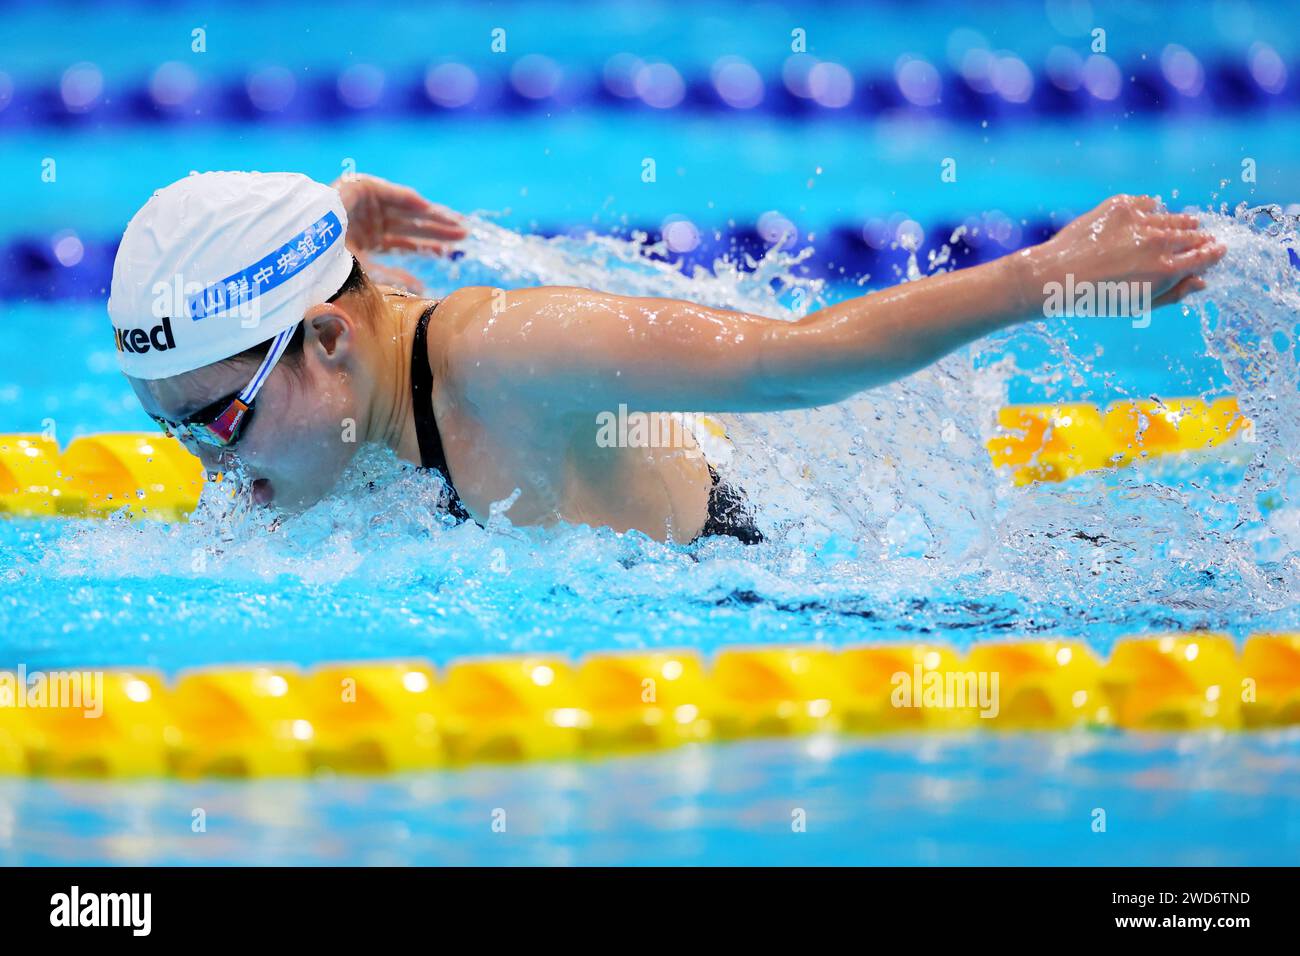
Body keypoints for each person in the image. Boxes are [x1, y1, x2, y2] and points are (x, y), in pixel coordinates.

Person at [110, 171, 1225, 544]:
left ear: (327, 339)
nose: (212, 470)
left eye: (218, 423)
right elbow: (300, 290)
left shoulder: (509, 352)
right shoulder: (344, 351)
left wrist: (1051, 274)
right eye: (174, 431)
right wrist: (336, 210)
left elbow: (799, 361)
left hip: (827, 610)